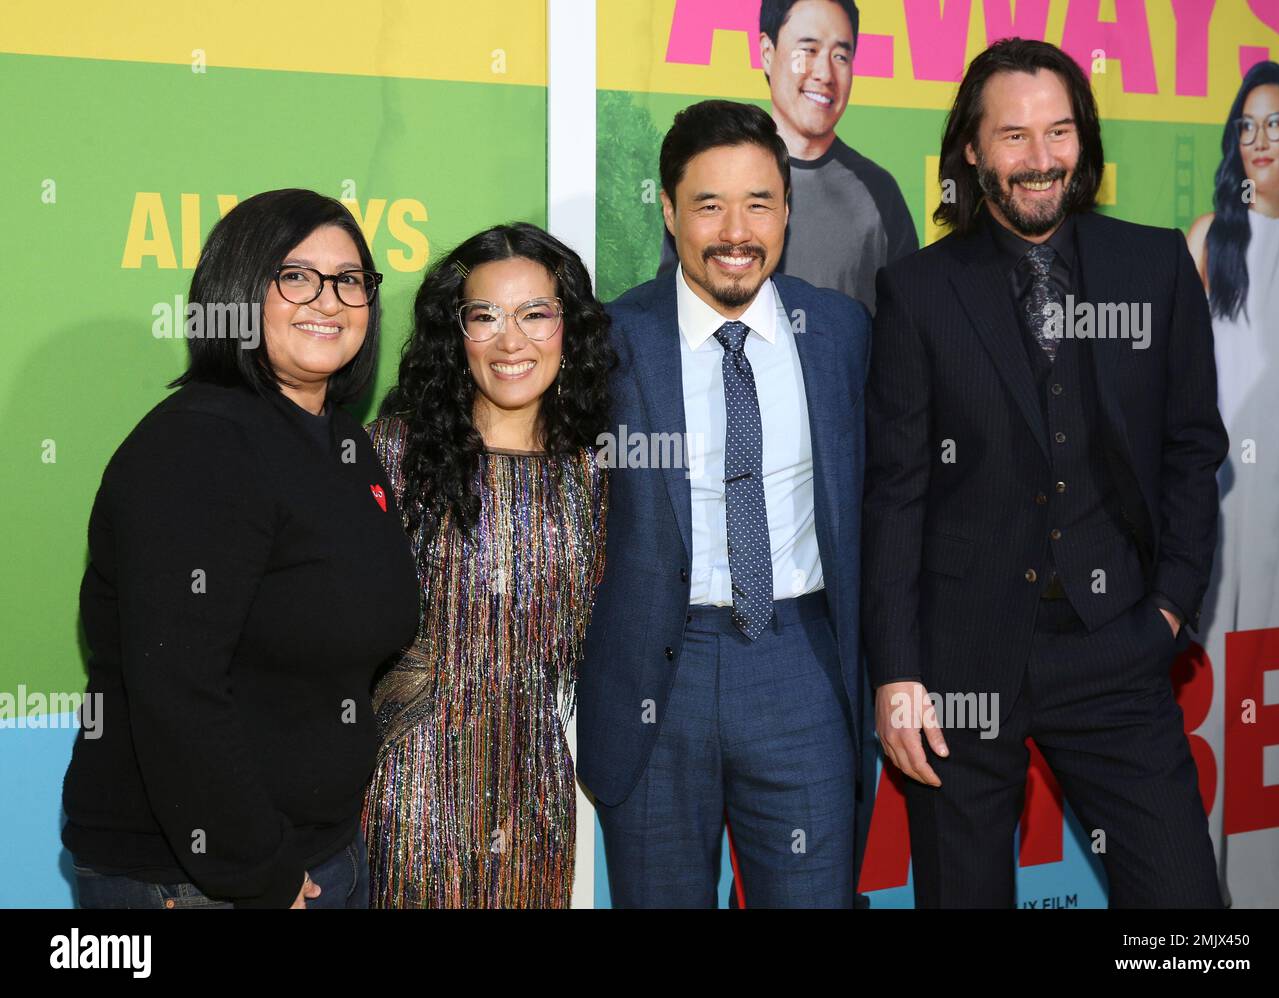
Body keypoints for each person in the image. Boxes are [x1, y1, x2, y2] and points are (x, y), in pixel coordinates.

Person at [864, 39, 1228, 907]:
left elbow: (1193, 449)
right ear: (973, 150)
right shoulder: (919, 291)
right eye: (1015, 137)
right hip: (961, 663)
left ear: (1084, 141)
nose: (1040, 159)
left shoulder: (1153, 266)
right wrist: (897, 673)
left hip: (1118, 646)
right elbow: (896, 490)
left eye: (1059, 132)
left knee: (1187, 917)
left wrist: (1170, 607)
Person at [62, 188, 419, 909]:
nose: (330, 299)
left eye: (351, 279)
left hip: (319, 850)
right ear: (235, 290)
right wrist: (259, 872)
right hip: (202, 878)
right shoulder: (200, 442)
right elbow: (178, 686)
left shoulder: (344, 442)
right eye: (295, 276)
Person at [580, 100, 871, 908]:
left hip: (802, 667)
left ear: (786, 211)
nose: (734, 230)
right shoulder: (607, 341)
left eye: (757, 203)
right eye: (708, 204)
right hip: (654, 678)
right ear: (668, 211)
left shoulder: (842, 333)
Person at [362, 223, 613, 908]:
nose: (512, 341)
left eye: (536, 313)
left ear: (569, 329)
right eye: (486, 317)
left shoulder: (599, 472)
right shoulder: (390, 456)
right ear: (456, 334)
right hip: (408, 786)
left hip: (536, 789)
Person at [658, 0, 916, 315]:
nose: (824, 73)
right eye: (807, 50)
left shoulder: (879, 191)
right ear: (767, 52)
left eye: (840, 56)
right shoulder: (703, 174)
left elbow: (906, 323)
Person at [1186, 61, 1279, 637]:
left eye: (1276, 124)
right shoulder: (1209, 238)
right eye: (1247, 126)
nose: (1260, 140)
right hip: (1219, 487)